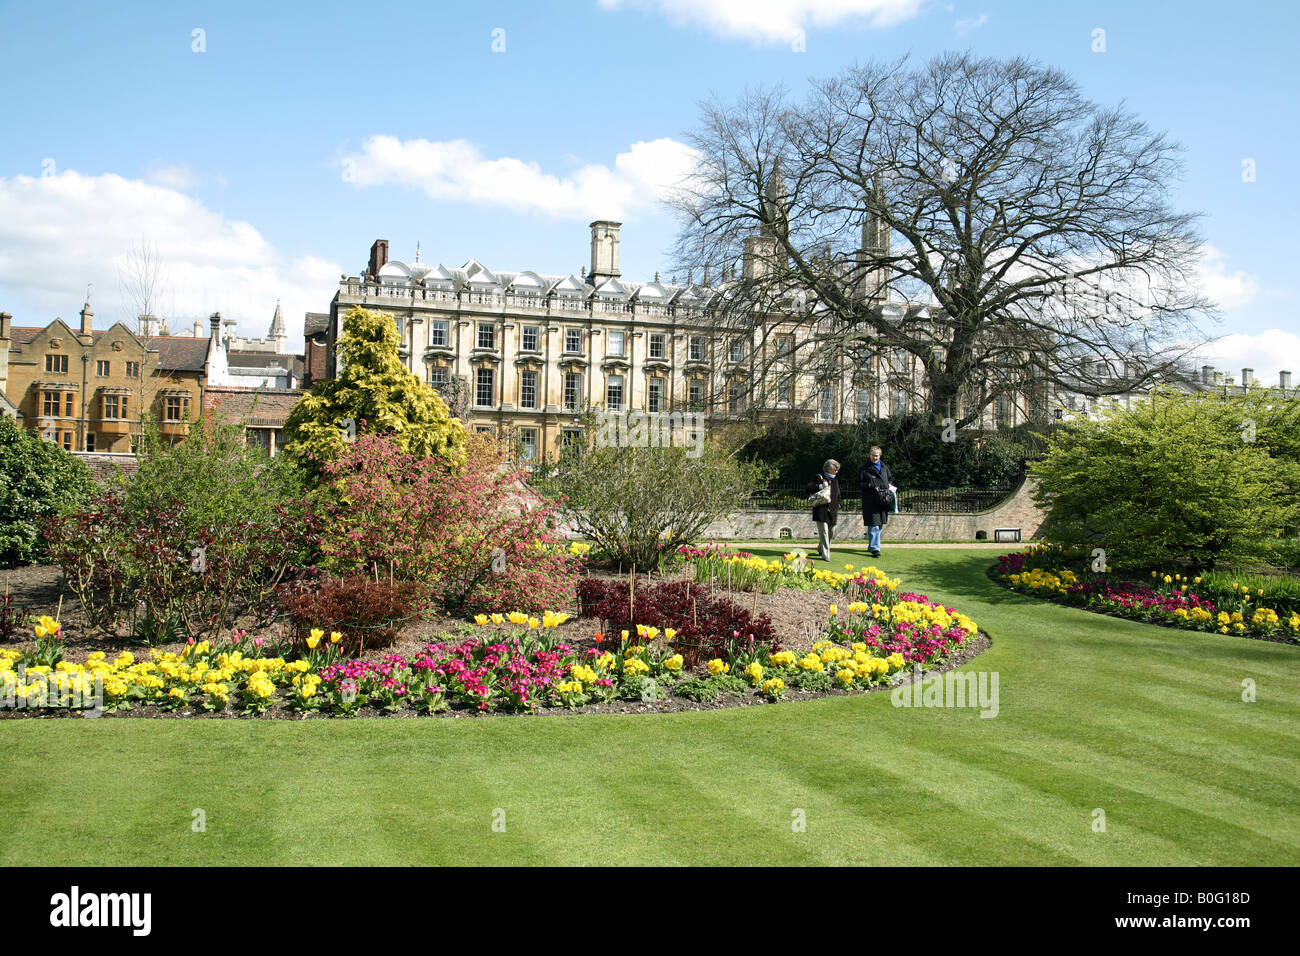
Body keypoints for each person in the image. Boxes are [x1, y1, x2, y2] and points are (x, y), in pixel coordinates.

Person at [859, 446, 893, 559]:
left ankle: (872, 545)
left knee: (879, 524)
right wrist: (869, 485)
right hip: (870, 500)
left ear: (880, 456)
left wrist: (889, 488)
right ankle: (875, 548)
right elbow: (858, 483)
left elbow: (890, 479)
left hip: (883, 500)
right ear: (870, 455)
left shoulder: (884, 467)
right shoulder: (864, 468)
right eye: (873, 455)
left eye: (877, 456)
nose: (875, 458)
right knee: (874, 524)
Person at [805, 459, 841, 563]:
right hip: (821, 510)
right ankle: (826, 555)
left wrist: (839, 504)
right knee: (824, 533)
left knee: (831, 532)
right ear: (829, 469)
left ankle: (820, 548)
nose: (836, 472)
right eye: (835, 469)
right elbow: (808, 488)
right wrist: (820, 486)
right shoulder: (818, 477)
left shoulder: (835, 481)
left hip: (833, 510)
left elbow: (838, 495)